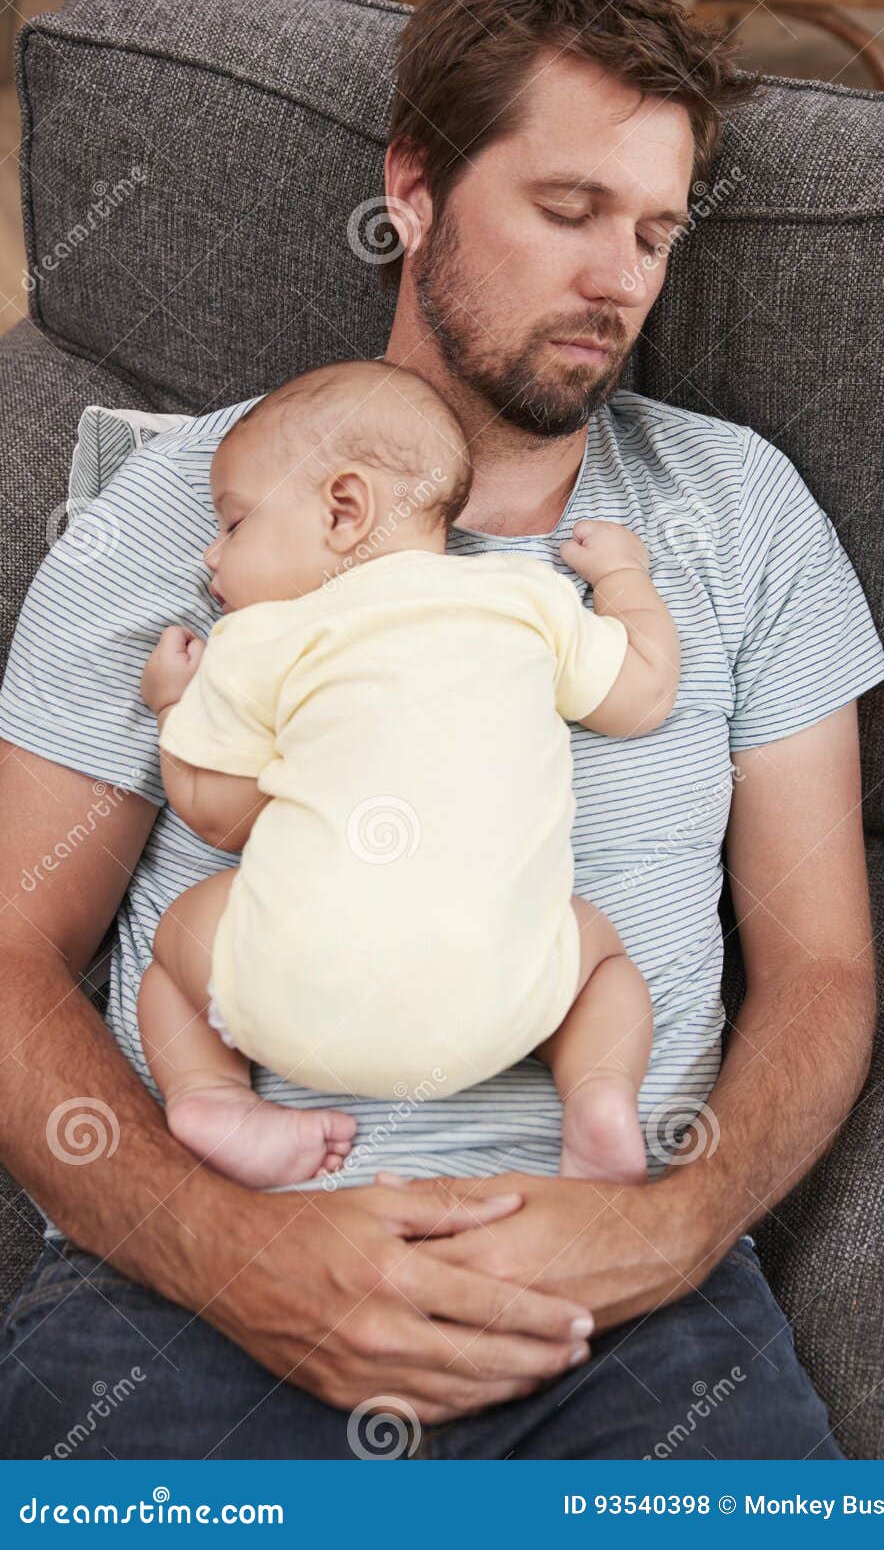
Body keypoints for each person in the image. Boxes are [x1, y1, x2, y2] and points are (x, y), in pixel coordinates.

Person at [0, 0, 884, 1458]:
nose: (619, 279)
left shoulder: (732, 516)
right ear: (409, 185)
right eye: (566, 212)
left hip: (627, 1311)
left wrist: (673, 1229)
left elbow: (819, 966)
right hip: (195, 1285)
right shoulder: (195, 510)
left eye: (657, 233)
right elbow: (14, 944)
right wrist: (226, 1246)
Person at [137, 358, 676, 1190]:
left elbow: (214, 815)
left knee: (178, 941)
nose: (213, 556)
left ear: (344, 511)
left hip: (292, 1000)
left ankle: (213, 1097)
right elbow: (642, 693)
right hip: (499, 1005)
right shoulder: (524, 598)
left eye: (234, 524)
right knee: (603, 965)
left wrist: (175, 707)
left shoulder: (258, 640)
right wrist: (623, 579)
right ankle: (598, 1094)